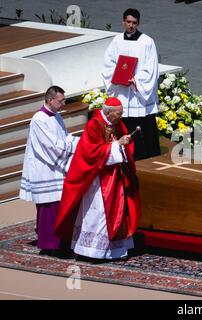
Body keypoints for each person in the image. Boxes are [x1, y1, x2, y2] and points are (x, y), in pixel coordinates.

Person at [54, 97, 141, 261]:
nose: (121, 117)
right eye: (118, 114)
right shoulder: (94, 124)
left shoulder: (116, 123)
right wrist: (117, 145)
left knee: (118, 211)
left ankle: (115, 249)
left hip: (114, 176)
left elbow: (123, 141)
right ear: (108, 112)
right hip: (97, 179)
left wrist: (125, 143)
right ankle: (93, 252)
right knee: (98, 213)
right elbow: (91, 153)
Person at [20, 85, 79, 256]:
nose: (63, 104)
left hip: (55, 168)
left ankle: (61, 242)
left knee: (59, 205)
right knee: (49, 207)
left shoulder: (57, 116)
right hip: (45, 168)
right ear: (50, 100)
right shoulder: (39, 119)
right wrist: (72, 146)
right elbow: (52, 146)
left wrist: (79, 142)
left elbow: (64, 137)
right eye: (61, 101)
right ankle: (49, 245)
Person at [102, 8, 161, 161]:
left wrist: (135, 80)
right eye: (128, 22)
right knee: (125, 123)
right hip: (122, 90)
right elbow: (108, 63)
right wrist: (117, 76)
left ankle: (148, 155)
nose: (131, 26)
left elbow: (151, 67)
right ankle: (125, 155)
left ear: (138, 23)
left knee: (143, 124)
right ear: (123, 22)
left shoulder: (147, 42)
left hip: (137, 93)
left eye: (134, 23)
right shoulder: (117, 40)